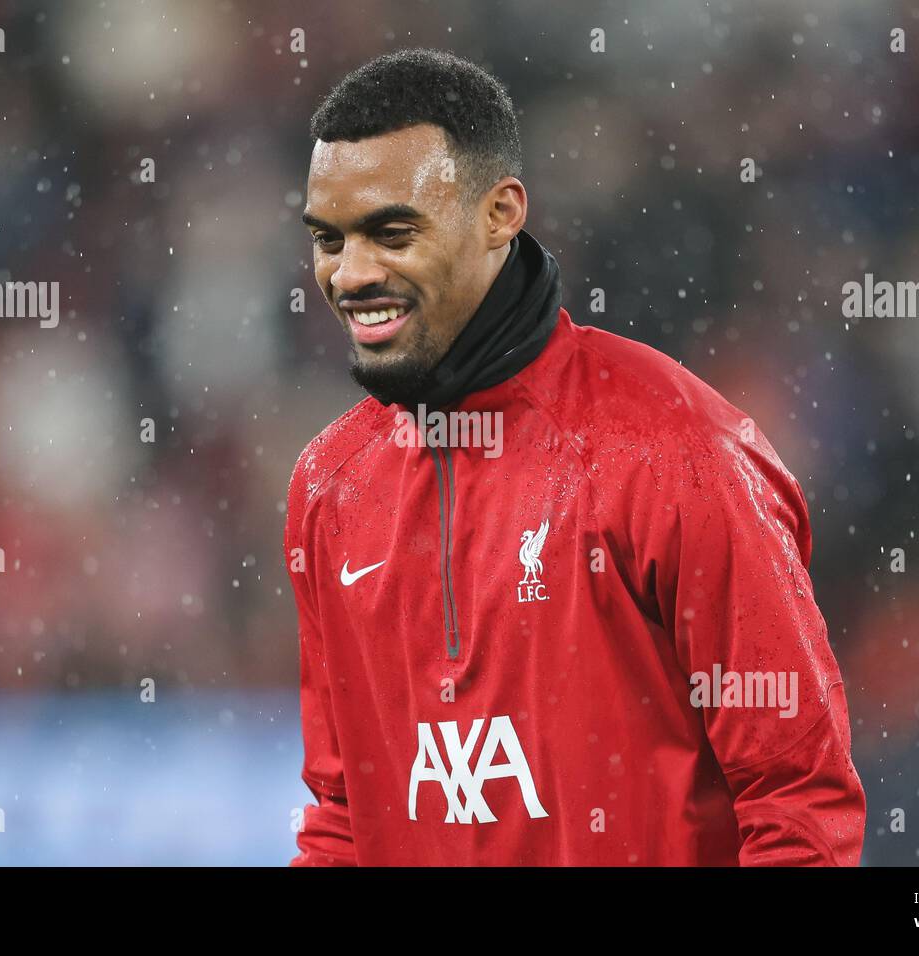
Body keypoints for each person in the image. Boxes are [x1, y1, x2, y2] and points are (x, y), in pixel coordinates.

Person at [286, 48, 866, 865]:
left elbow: (797, 804)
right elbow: (346, 816)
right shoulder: (329, 484)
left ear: (501, 213)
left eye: (392, 232)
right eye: (328, 239)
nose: (350, 274)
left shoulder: (676, 448)